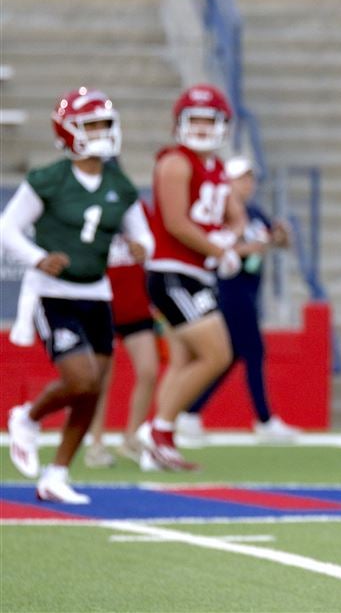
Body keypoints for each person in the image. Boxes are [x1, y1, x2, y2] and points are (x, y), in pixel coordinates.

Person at [1, 87, 152, 503]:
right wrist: (37, 258)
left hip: (98, 294)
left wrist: (143, 248)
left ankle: (58, 473)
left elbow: (143, 235)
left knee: (93, 388)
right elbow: (7, 228)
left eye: (105, 124)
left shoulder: (118, 184)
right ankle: (27, 418)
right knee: (80, 379)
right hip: (54, 294)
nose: (102, 133)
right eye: (92, 125)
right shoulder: (49, 180)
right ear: (68, 133)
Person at [140, 83, 254, 471]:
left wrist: (229, 237)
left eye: (210, 119)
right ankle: (158, 432)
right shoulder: (176, 162)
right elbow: (175, 223)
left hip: (196, 275)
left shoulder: (217, 168)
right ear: (180, 124)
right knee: (217, 354)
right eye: (196, 119)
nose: (203, 127)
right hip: (173, 273)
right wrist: (218, 249)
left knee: (184, 359)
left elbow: (237, 216)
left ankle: (159, 435)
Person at [176, 156, 298, 444]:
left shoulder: (254, 212)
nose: (247, 185)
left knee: (228, 356)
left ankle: (190, 414)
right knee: (253, 351)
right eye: (241, 179)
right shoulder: (218, 213)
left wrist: (280, 237)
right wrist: (247, 249)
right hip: (228, 288)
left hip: (249, 288)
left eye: (249, 179)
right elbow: (211, 250)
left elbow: (274, 242)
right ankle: (264, 420)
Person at [81, 202, 160, 468]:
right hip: (101, 302)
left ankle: (131, 437)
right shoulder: (88, 209)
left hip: (136, 304)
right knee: (101, 377)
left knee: (149, 370)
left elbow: (152, 248)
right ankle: (95, 443)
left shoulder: (137, 210)